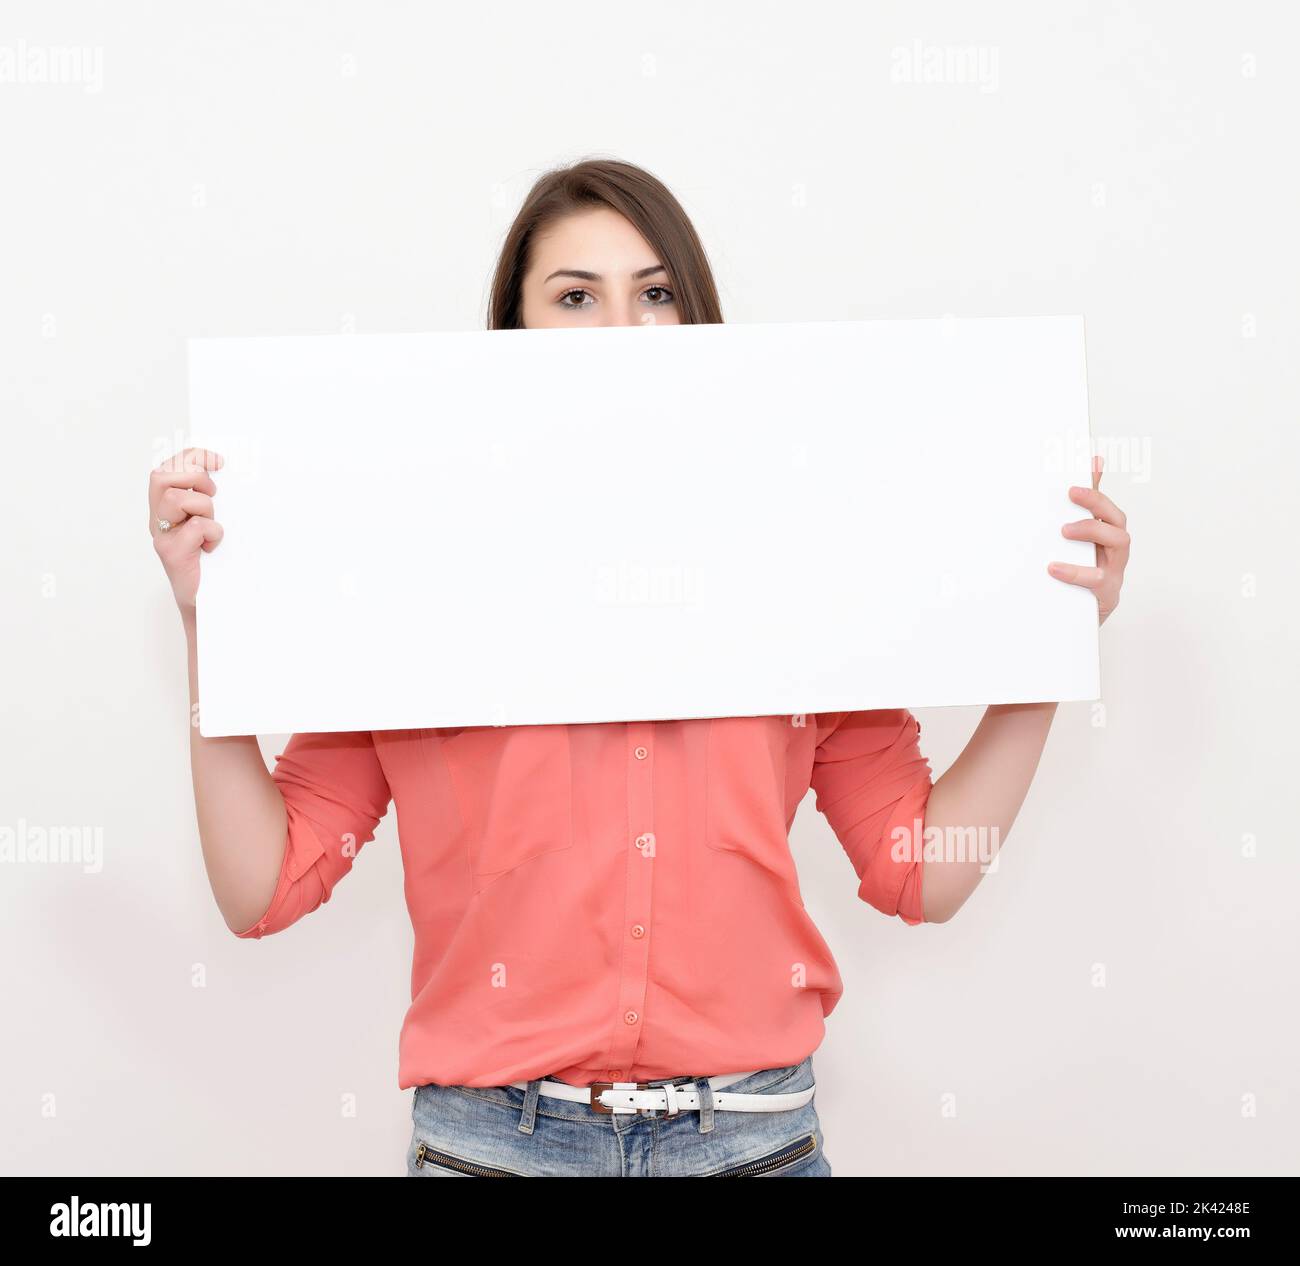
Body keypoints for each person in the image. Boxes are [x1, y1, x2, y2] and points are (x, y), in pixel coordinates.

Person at [149, 158, 1131, 1177]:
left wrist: (1044, 647)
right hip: (494, 1149)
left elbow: (922, 870)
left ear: (695, 322)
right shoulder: (415, 582)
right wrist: (205, 628)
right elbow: (259, 888)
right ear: (512, 336)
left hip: (752, 1143)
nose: (621, 330)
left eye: (654, 294)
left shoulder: (809, 573)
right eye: (575, 297)